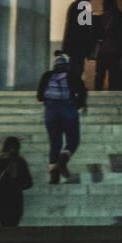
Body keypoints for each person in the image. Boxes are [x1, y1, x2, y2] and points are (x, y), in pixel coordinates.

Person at [36, 52, 87, 183]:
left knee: (55, 144)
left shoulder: (47, 76)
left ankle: (54, 176)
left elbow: (39, 96)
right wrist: (77, 105)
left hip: (51, 111)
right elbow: (82, 91)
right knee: (73, 141)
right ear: (67, 65)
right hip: (68, 109)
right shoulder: (72, 75)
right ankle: (62, 161)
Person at [0, 137, 32, 227]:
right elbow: (28, 183)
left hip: (2, 198)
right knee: (13, 225)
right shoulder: (20, 162)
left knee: (4, 225)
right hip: (15, 199)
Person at [61, 0, 95, 79]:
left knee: (72, 67)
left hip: (71, 42)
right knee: (78, 68)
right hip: (81, 44)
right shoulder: (85, 5)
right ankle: (75, 87)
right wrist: (90, 46)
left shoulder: (73, 5)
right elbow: (86, 27)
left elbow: (70, 26)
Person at [93, 0, 122, 92]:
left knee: (99, 76)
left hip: (101, 51)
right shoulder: (120, 19)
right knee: (114, 76)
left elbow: (95, 35)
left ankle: (97, 93)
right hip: (115, 51)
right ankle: (112, 95)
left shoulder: (98, 19)